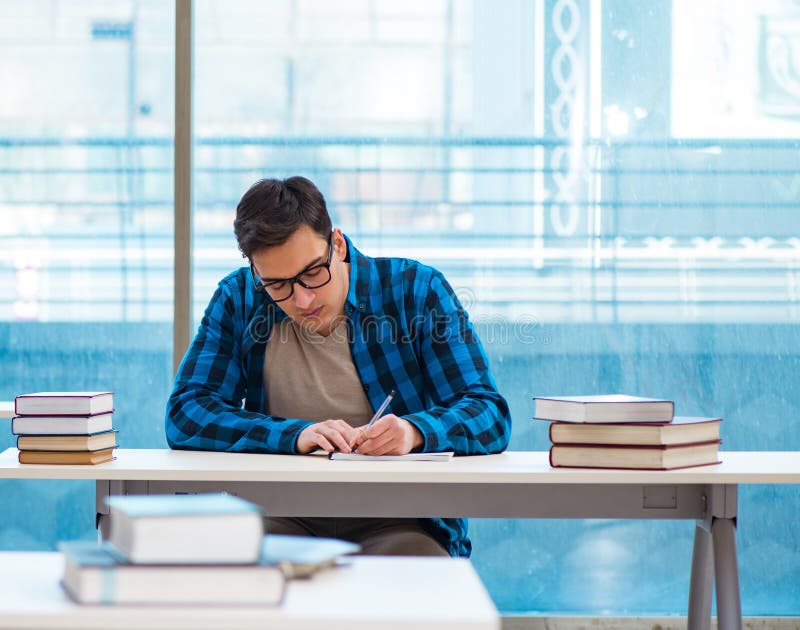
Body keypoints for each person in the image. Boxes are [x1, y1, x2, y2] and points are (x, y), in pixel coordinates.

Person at [165, 176, 511, 557]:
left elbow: (488, 412)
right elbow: (187, 412)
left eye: (314, 272)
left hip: (400, 516)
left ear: (338, 244)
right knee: (234, 573)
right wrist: (294, 436)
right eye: (278, 285)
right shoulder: (240, 298)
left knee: (419, 575)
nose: (303, 299)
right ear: (255, 273)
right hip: (281, 513)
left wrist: (414, 432)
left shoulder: (416, 290)